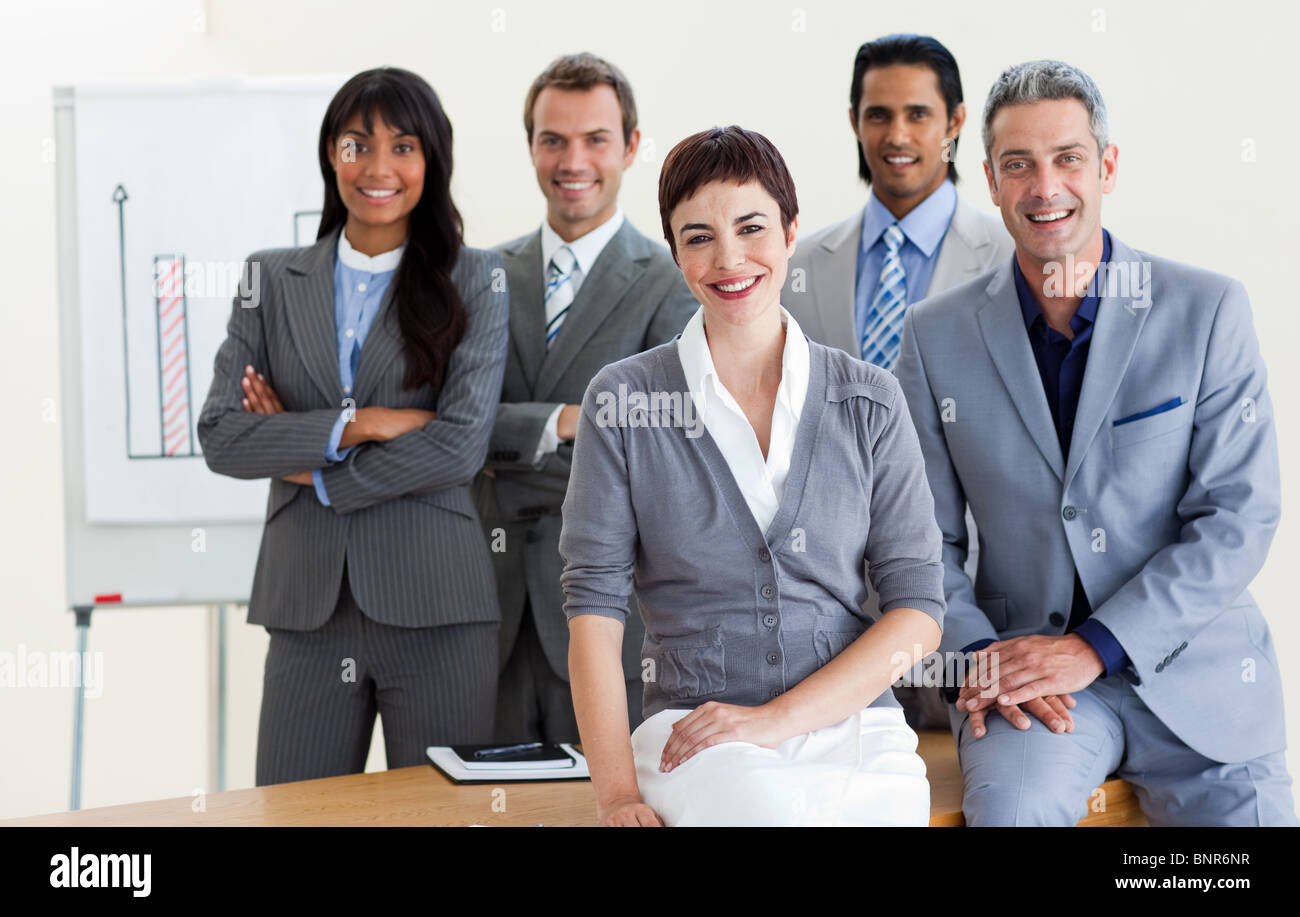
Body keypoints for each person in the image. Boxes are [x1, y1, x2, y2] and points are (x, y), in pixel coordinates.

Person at [895, 59, 1298, 825]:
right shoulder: (934, 336)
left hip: (1198, 680)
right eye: (1020, 165)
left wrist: (1097, 645)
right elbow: (921, 543)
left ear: (1106, 164)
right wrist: (977, 661)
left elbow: (1239, 518)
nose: (1045, 187)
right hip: (1023, 686)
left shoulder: (1208, 310)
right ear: (989, 178)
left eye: (1067, 158)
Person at [560, 125, 946, 827]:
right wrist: (615, 795)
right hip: (697, 735)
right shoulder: (622, 402)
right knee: (761, 813)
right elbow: (593, 609)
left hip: (856, 729)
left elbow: (919, 611)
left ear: (792, 231)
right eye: (699, 235)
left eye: (751, 226)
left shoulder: (869, 399)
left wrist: (775, 719)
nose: (729, 257)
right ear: (675, 252)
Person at [197, 67, 509, 785]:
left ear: (432, 161)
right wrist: (361, 423)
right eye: (355, 144)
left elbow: (459, 444)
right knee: (292, 811)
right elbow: (221, 433)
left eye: (403, 146)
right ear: (329, 156)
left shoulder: (475, 280)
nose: (377, 168)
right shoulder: (268, 280)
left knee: (440, 815)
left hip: (437, 606)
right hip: (306, 607)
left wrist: (310, 464)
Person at [783, 34, 1013, 730]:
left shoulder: (1012, 258)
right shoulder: (798, 267)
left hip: (970, 588)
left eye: (918, 114)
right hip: (831, 592)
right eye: (878, 114)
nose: (897, 134)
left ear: (955, 123)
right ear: (855, 121)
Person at [475, 53, 695, 745]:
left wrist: (498, 441)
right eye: (553, 139)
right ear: (532, 147)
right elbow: (449, 430)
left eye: (595, 139)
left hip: (611, 612)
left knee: (602, 807)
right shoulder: (479, 275)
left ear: (630, 147)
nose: (574, 159)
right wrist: (571, 423)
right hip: (486, 599)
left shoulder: (672, 280)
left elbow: (666, 442)